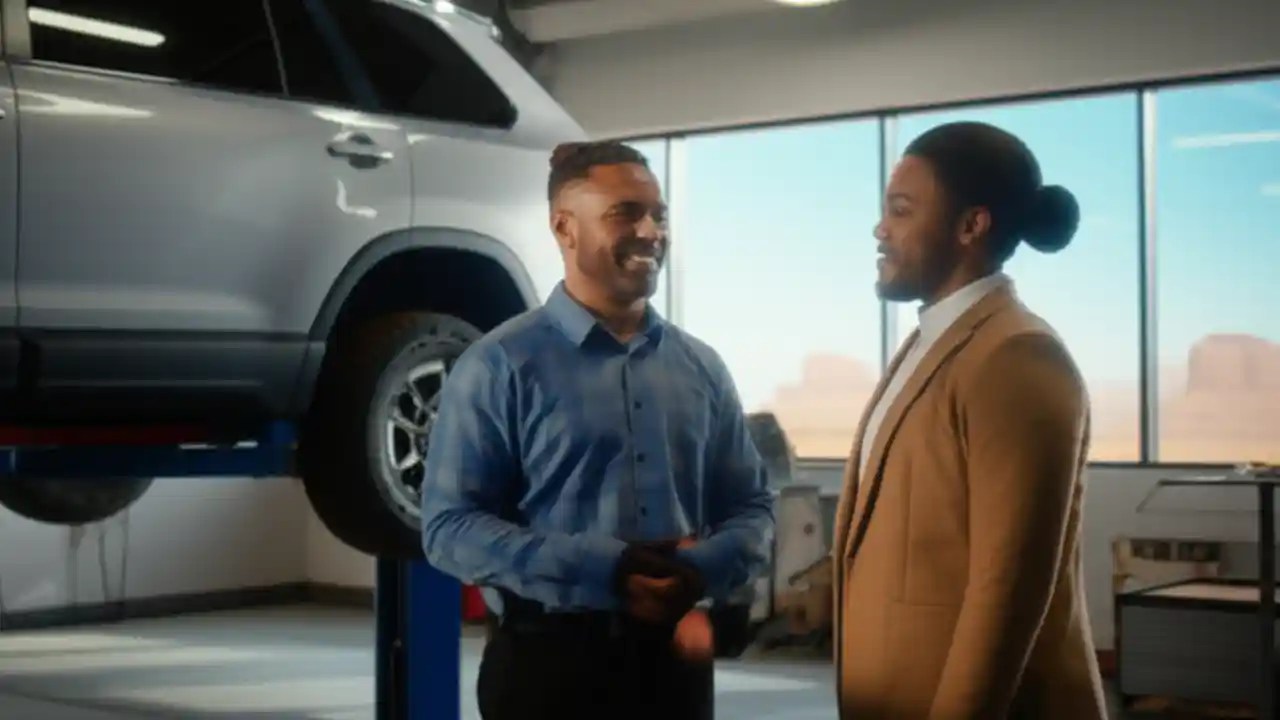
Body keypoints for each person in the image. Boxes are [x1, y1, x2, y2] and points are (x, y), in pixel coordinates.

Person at [418, 140, 775, 720]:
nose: (651, 231)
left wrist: (701, 569)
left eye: (658, 214)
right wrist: (605, 569)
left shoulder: (701, 367)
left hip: (674, 670)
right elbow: (449, 527)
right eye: (625, 213)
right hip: (548, 669)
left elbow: (753, 505)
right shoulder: (498, 365)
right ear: (565, 228)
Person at [831, 121, 1109, 720]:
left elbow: (1005, 592)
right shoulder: (931, 342)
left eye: (901, 211)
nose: (881, 229)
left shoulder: (1017, 354)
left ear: (970, 225)